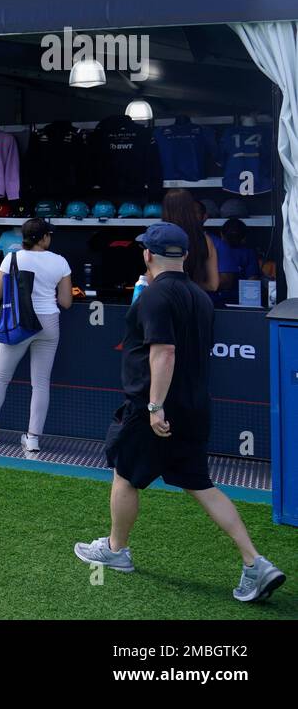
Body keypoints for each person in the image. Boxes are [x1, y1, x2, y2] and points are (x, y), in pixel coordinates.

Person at [74, 223, 286, 602]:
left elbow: (164, 352)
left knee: (125, 474)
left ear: (147, 255)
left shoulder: (155, 296)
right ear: (185, 255)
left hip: (155, 408)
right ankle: (255, 562)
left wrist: (155, 406)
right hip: (194, 405)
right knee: (199, 483)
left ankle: (116, 550)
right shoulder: (201, 297)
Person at [0, 218, 73, 452]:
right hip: (49, 321)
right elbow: (66, 302)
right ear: (43, 237)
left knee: (0, 377)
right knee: (41, 384)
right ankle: (33, 438)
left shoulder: (12, 258)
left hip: (19, 321)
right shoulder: (60, 261)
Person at [161, 189, 219, 293]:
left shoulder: (160, 237)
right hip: (196, 300)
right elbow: (213, 285)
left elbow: (150, 278)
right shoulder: (205, 239)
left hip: (167, 298)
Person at [210, 217, 261, 304]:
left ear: (221, 234)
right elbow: (252, 281)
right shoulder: (248, 253)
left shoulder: (213, 249)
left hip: (215, 300)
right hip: (239, 302)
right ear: (244, 237)